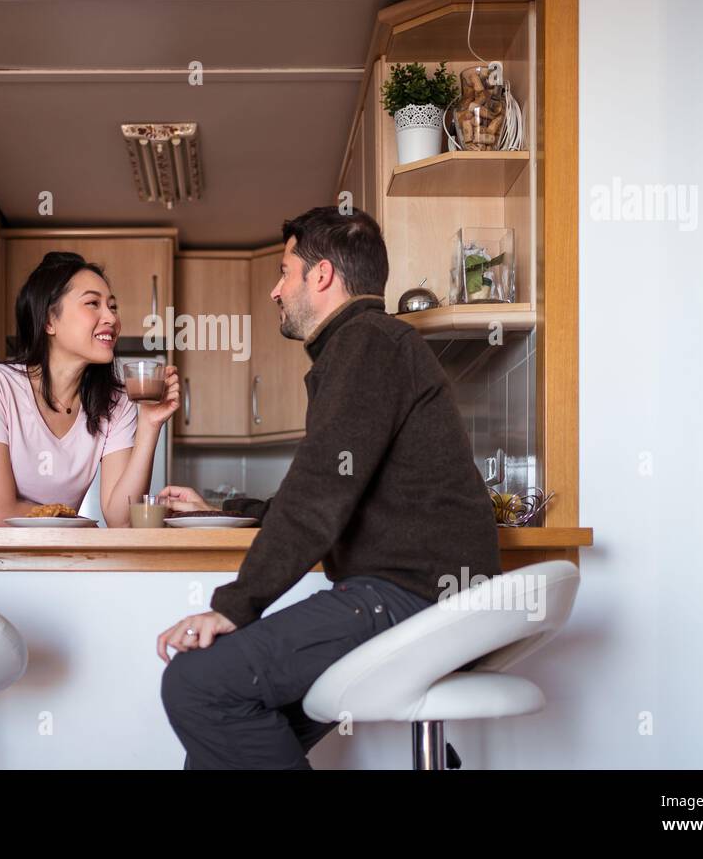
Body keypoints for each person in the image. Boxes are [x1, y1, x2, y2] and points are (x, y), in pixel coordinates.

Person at [154, 206, 502, 769]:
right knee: (224, 744)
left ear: (321, 276)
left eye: (284, 271)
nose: (274, 290)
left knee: (199, 684)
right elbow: (329, 486)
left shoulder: (367, 343)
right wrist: (223, 508)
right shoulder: (371, 346)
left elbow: (319, 491)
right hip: (416, 596)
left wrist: (235, 607)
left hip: (414, 600)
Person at [0, 251, 179, 528]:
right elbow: (1, 515)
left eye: (113, 307)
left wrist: (149, 424)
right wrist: (85, 527)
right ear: (49, 321)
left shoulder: (116, 402)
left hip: (62, 565)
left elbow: (121, 519)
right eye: (93, 303)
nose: (111, 318)